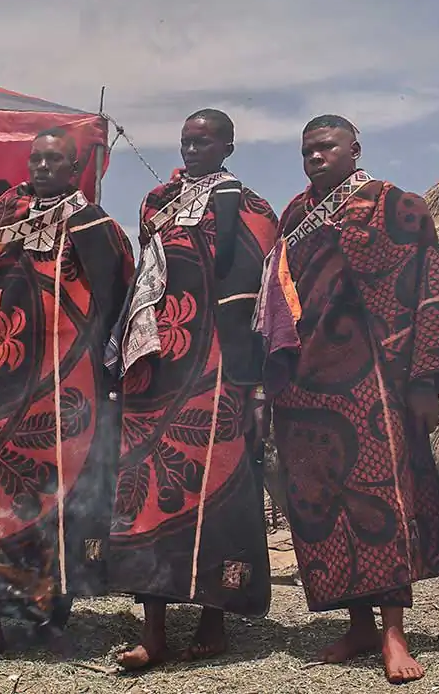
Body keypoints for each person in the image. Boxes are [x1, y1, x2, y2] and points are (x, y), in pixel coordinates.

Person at [255, 115, 439, 685]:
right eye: (307, 151)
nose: (315, 158)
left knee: (378, 498)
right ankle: (360, 625)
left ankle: (394, 633)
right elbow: (278, 302)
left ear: (355, 149)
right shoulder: (293, 217)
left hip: (372, 379)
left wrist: (425, 379)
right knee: (321, 504)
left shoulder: (397, 207)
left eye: (326, 147)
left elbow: (429, 291)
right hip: (304, 384)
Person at [0, 128, 133, 673]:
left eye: (55, 159)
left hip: (67, 381)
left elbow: (117, 294)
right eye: (36, 159)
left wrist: (97, 361)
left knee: (63, 497)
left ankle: (51, 617)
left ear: (76, 168)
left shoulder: (95, 224)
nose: (43, 167)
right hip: (4, 376)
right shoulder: (6, 215)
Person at [106, 109, 277, 669]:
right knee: (146, 489)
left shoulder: (252, 208)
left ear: (228, 146)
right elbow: (145, 278)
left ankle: (213, 618)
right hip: (156, 364)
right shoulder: (155, 202)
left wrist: (249, 380)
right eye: (186, 141)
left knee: (216, 489)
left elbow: (254, 296)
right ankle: (152, 630)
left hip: (217, 367)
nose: (192, 149)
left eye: (204, 141)